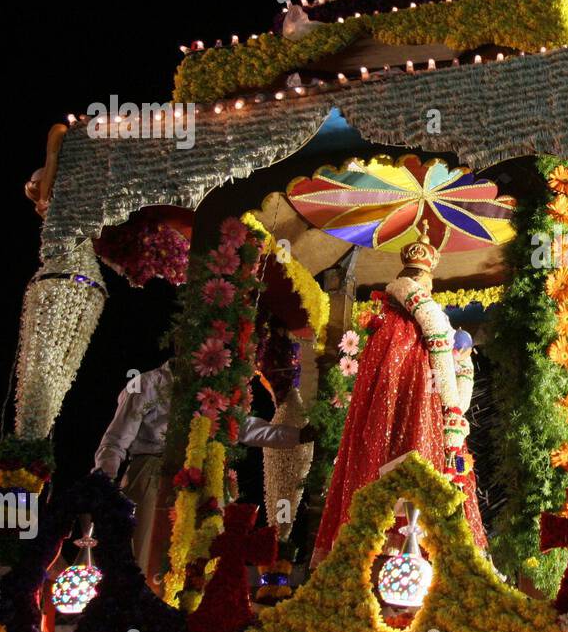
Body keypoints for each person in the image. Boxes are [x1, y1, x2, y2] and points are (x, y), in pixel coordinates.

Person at [311, 223, 484, 567]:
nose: (430, 289)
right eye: (429, 283)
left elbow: (455, 380)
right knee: (411, 445)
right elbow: (439, 339)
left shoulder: (390, 325)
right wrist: (452, 406)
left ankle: (393, 541)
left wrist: (462, 366)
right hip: (417, 393)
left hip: (413, 390)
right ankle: (404, 542)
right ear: (422, 278)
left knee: (391, 447)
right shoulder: (418, 310)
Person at [94, 361, 310, 584]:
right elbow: (115, 441)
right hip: (150, 474)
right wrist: (103, 484)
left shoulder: (213, 388)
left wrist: (297, 436)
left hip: (201, 480)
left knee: (198, 563)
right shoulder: (146, 384)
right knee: (144, 558)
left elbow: (247, 428)